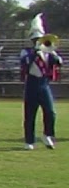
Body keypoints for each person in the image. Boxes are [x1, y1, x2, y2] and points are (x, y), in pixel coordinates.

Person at [20, 13, 60, 150]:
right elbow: (25, 63)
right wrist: (35, 52)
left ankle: (47, 134)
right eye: (36, 39)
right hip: (31, 84)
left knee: (50, 112)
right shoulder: (26, 52)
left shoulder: (48, 52)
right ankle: (29, 141)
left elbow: (59, 63)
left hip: (44, 84)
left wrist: (53, 53)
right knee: (30, 114)